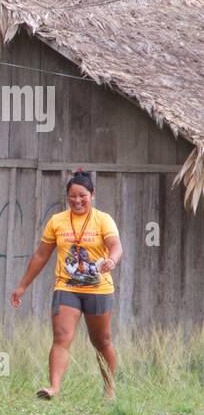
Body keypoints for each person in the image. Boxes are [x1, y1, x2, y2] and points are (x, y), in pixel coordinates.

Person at [10, 170, 121, 400]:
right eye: (72, 197)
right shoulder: (57, 221)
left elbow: (116, 245)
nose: (77, 201)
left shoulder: (103, 219)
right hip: (66, 287)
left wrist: (112, 259)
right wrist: (22, 286)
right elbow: (41, 256)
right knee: (61, 338)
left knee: (101, 341)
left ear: (92, 194)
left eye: (83, 196)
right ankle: (54, 388)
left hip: (98, 289)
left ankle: (109, 388)